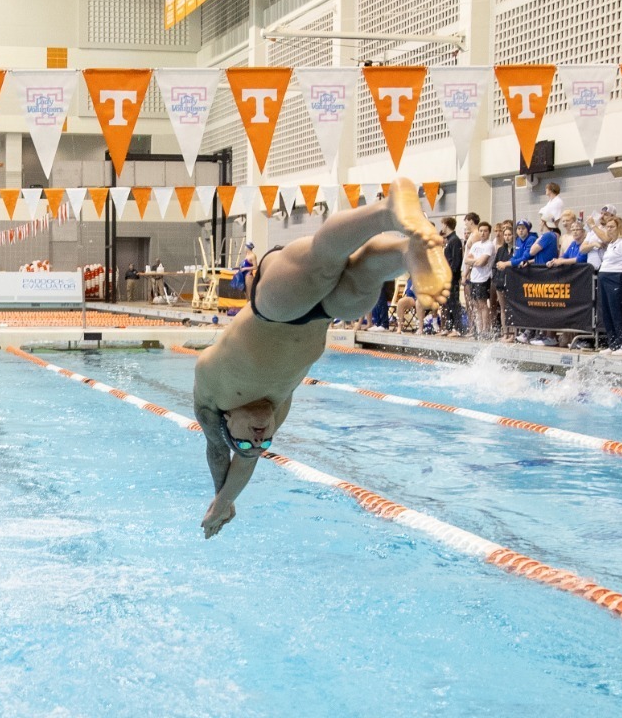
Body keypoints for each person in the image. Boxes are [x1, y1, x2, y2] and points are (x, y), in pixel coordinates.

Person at [192, 179, 450, 537]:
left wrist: (220, 499)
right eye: (263, 444)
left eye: (248, 440)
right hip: (324, 314)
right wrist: (229, 499)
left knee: (323, 265)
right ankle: (408, 252)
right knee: (362, 285)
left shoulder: (212, 393)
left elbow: (221, 453)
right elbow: (248, 459)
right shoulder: (276, 410)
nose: (260, 437)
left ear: (228, 420)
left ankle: (387, 211)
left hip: (273, 304)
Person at [584, 211, 622, 353]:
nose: (609, 229)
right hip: (605, 278)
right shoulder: (611, 244)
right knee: (606, 313)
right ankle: (613, 343)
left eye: (612, 227)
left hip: (617, 278)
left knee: (616, 312)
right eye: (607, 227)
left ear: (619, 227)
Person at [466, 221, 498, 337]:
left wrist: (475, 261)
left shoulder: (489, 245)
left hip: (484, 278)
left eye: (485, 231)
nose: (483, 233)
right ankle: (479, 329)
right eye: (481, 231)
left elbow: (483, 263)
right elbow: (467, 260)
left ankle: (485, 329)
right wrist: (476, 261)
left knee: (483, 304)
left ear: (489, 232)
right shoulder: (475, 245)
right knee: (475, 304)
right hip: (473, 278)